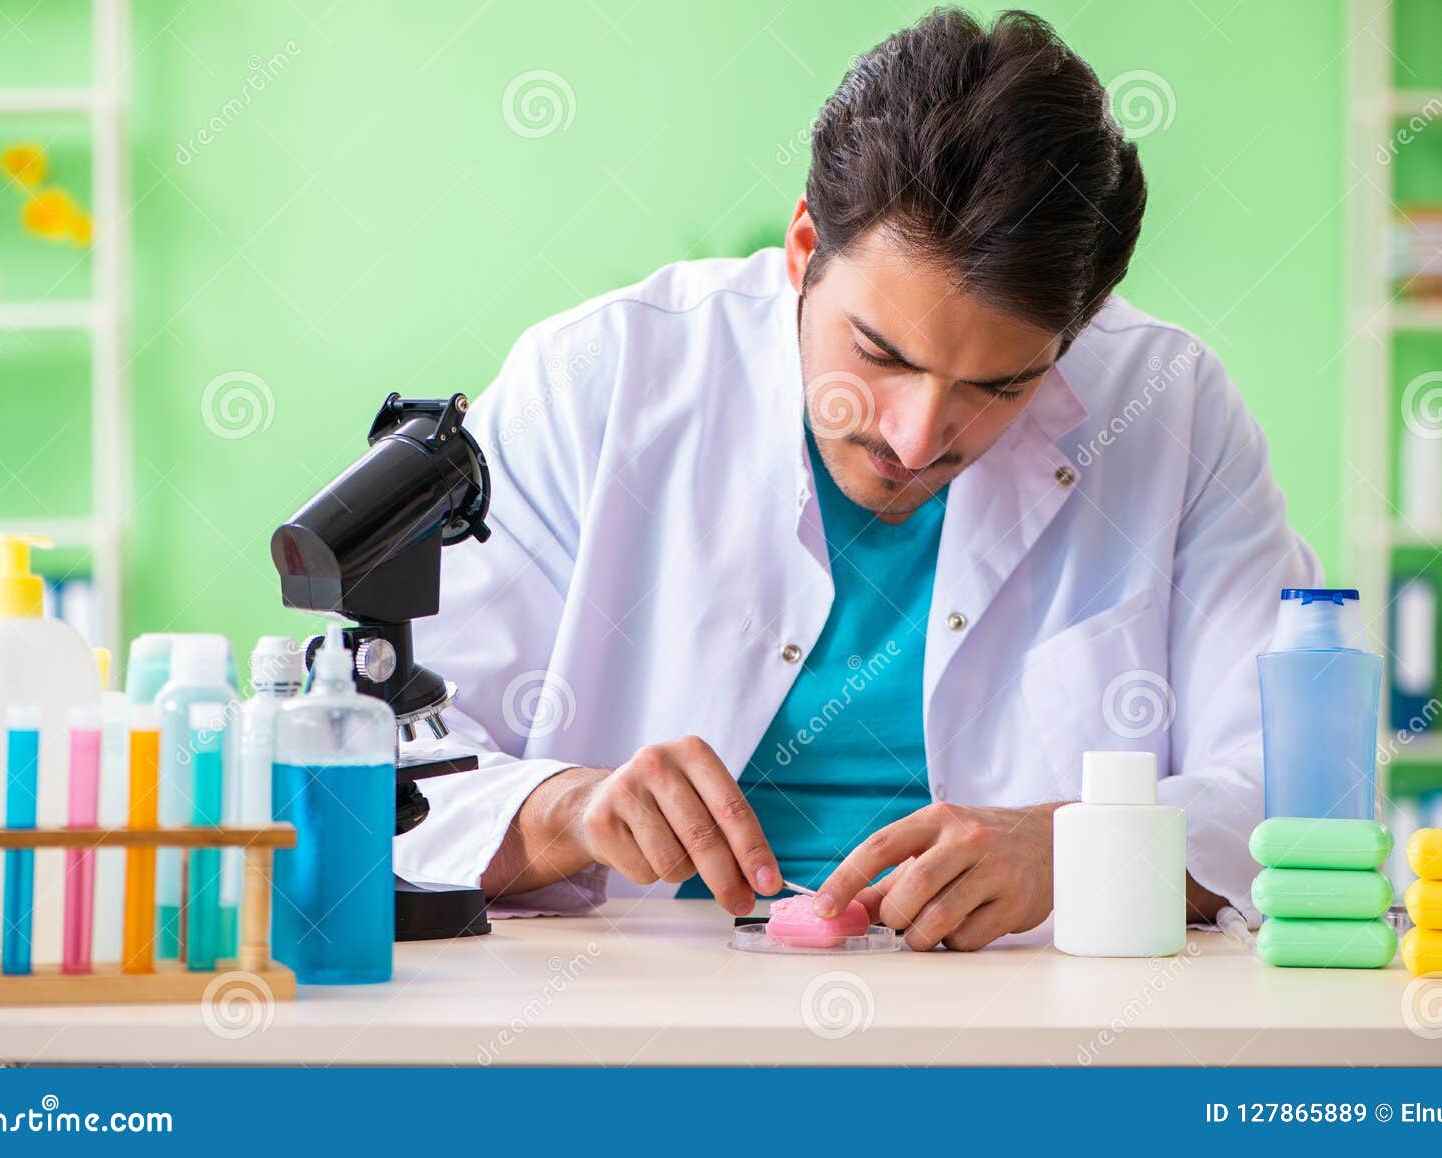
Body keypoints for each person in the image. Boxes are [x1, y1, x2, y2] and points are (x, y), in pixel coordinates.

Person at [395, 6, 1317, 951]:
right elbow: (387, 757)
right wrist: (566, 809)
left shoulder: (1170, 405)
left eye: (998, 386)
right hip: (640, 996)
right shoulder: (599, 378)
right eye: (879, 353)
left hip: (1028, 1009)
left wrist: (1079, 850)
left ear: (1074, 336)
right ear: (805, 250)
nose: (917, 439)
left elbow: (1299, 784)